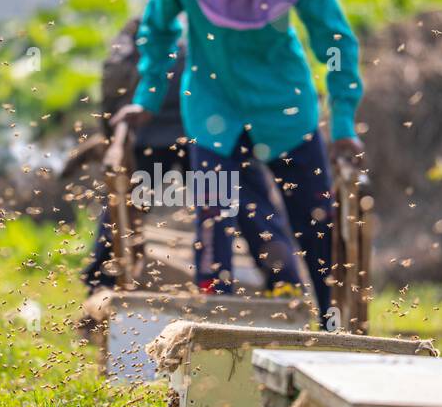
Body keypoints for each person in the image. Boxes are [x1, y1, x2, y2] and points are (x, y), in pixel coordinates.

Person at [112, 0, 364, 317]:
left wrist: (342, 122)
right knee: (215, 221)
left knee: (317, 229)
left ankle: (330, 326)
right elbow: (158, 27)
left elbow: (336, 41)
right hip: (213, 110)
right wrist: (148, 95)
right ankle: (213, 327)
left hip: (284, 109)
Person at [77, 17, 303, 294]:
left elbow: (114, 88)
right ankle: (282, 283)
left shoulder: (142, 33)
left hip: (153, 126)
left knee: (127, 197)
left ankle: (101, 281)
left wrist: (115, 137)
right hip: (206, 126)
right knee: (245, 201)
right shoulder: (214, 24)